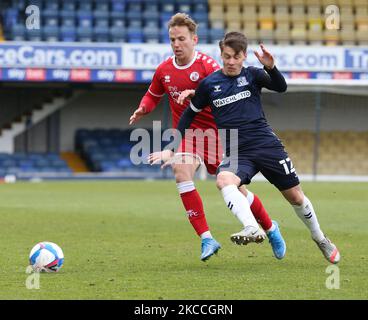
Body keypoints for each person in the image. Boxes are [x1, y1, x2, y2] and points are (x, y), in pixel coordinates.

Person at [173, 31, 340, 264]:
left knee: (296, 198)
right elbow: (189, 114)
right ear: (221, 55)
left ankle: (320, 238)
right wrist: (174, 146)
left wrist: (271, 68)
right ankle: (251, 227)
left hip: (266, 145)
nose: (231, 62)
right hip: (237, 151)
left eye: (236, 57)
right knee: (223, 180)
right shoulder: (209, 84)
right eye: (227, 56)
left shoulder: (253, 75)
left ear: (243, 56)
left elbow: (280, 87)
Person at [129, 14, 286, 262]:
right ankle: (207, 238)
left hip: (218, 135)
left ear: (194, 39)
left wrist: (196, 94)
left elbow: (222, 89)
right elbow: (152, 95)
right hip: (189, 134)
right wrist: (143, 108)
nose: (176, 44)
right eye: (172, 39)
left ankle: (270, 227)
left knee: (238, 190)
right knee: (180, 170)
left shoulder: (208, 66)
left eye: (181, 39)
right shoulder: (164, 70)